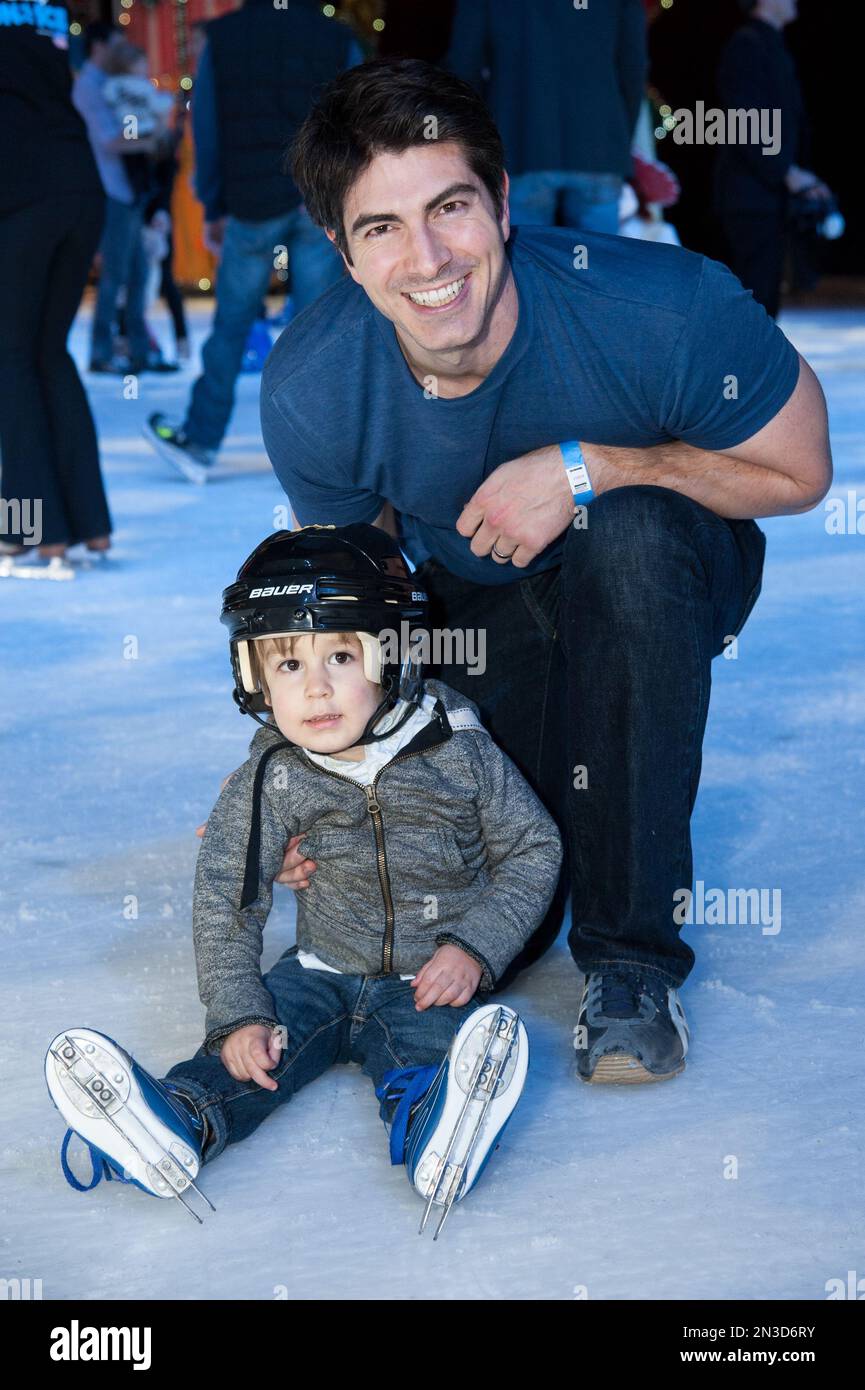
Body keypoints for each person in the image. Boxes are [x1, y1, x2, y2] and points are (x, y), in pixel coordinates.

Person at [259, 58, 832, 1084]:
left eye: (450, 207)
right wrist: (334, 798)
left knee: (634, 538)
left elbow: (800, 471)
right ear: (344, 256)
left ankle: (627, 961)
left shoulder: (663, 307)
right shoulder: (314, 384)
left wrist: (595, 467)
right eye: (381, 228)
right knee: (487, 919)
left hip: (660, 565)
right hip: (474, 600)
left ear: (504, 203)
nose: (428, 256)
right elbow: (368, 606)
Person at [46, 525, 559, 1233]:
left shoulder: (457, 747)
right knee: (253, 1055)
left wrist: (472, 946)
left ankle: (438, 1122)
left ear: (395, 655)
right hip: (317, 969)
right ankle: (177, 1121)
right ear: (252, 676)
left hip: (426, 976)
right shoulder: (270, 774)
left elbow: (533, 848)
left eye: (340, 656)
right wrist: (237, 1013)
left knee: (427, 1045)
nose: (314, 689)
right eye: (286, 667)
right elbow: (228, 895)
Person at [142, 0, 362, 484]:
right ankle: (321, 455)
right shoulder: (332, 34)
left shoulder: (225, 37)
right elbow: (356, 121)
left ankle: (200, 441)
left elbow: (209, 128)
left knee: (230, 326)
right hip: (316, 201)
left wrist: (214, 204)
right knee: (317, 332)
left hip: (251, 200)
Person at [0, 0, 112, 572]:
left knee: (12, 360)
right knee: (45, 354)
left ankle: (30, 529)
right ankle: (88, 525)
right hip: (75, 184)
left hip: (18, 190)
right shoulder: (43, 11)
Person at [445, 0, 646, 235]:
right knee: (598, 264)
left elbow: (464, 65)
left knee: (530, 261)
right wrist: (619, 137)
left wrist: (481, 139)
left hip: (520, 142)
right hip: (599, 146)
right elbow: (633, 67)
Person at [714, 0, 831, 318]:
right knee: (756, 300)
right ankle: (740, 368)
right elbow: (744, 120)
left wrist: (799, 177)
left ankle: (752, 366)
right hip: (751, 196)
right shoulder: (747, 45)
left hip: (768, 193)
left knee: (766, 300)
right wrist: (787, 172)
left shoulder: (769, 44)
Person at [73, 23, 175, 375]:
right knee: (116, 274)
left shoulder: (113, 86)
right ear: (100, 47)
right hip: (112, 190)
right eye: (116, 45)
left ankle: (138, 353)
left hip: (129, 189)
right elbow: (109, 140)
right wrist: (151, 140)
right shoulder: (90, 87)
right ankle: (102, 352)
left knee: (139, 273)